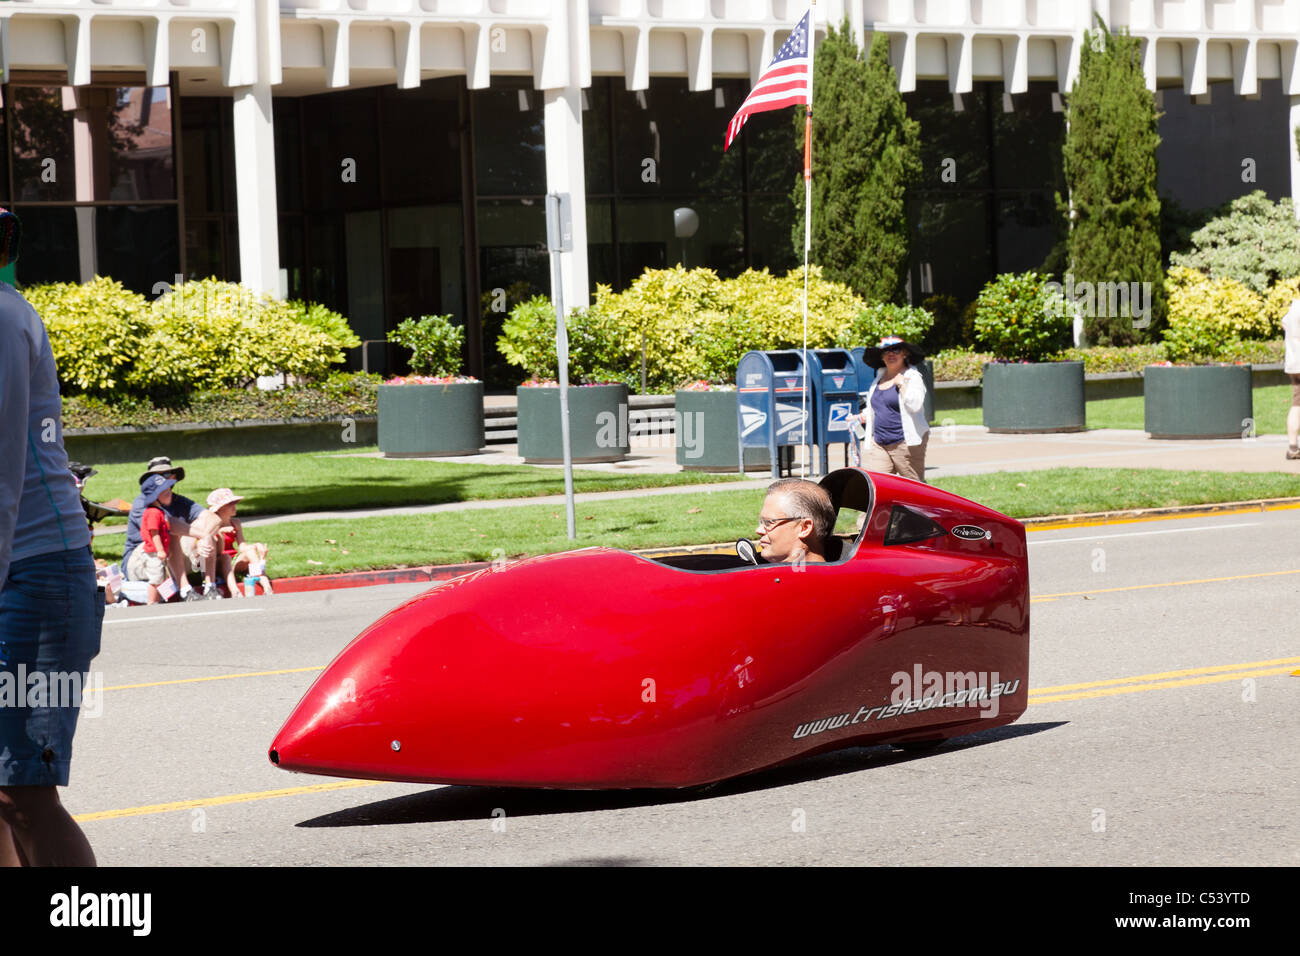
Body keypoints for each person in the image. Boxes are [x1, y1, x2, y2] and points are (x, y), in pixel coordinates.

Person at [0, 207, 100, 866]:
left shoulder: (4, 319)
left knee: (22, 790)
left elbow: (2, 475)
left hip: (36, 573)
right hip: (20, 568)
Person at [121, 456, 206, 600]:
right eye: (157, 477)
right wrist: (201, 534)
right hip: (144, 557)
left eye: (166, 475)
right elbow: (156, 533)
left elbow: (209, 516)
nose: (163, 480)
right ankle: (181, 590)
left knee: (210, 533)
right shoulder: (146, 506)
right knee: (171, 534)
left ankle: (211, 585)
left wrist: (206, 536)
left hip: (162, 554)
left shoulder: (177, 500)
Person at [857, 335, 930, 482]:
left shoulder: (912, 376)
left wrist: (902, 385)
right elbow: (878, 405)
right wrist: (860, 416)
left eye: (896, 350)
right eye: (886, 351)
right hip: (879, 443)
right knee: (878, 485)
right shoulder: (879, 377)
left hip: (905, 443)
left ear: (905, 354)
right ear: (881, 356)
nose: (891, 354)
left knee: (914, 487)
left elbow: (915, 405)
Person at [126, 475, 180, 605]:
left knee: (160, 577)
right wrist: (160, 550)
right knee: (155, 579)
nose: (170, 494)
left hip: (158, 551)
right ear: (155, 497)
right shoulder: (153, 513)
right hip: (153, 552)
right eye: (165, 493)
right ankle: (151, 602)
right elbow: (154, 533)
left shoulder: (159, 511)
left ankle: (156, 600)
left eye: (169, 491)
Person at [755, 478, 833, 564]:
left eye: (769, 522)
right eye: (761, 522)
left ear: (805, 528)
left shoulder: (815, 577)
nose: (758, 530)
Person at [1283, 295, 1300, 461]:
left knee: (1297, 403)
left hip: (1294, 362)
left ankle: (1293, 447)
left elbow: (1284, 324)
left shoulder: (1294, 307)